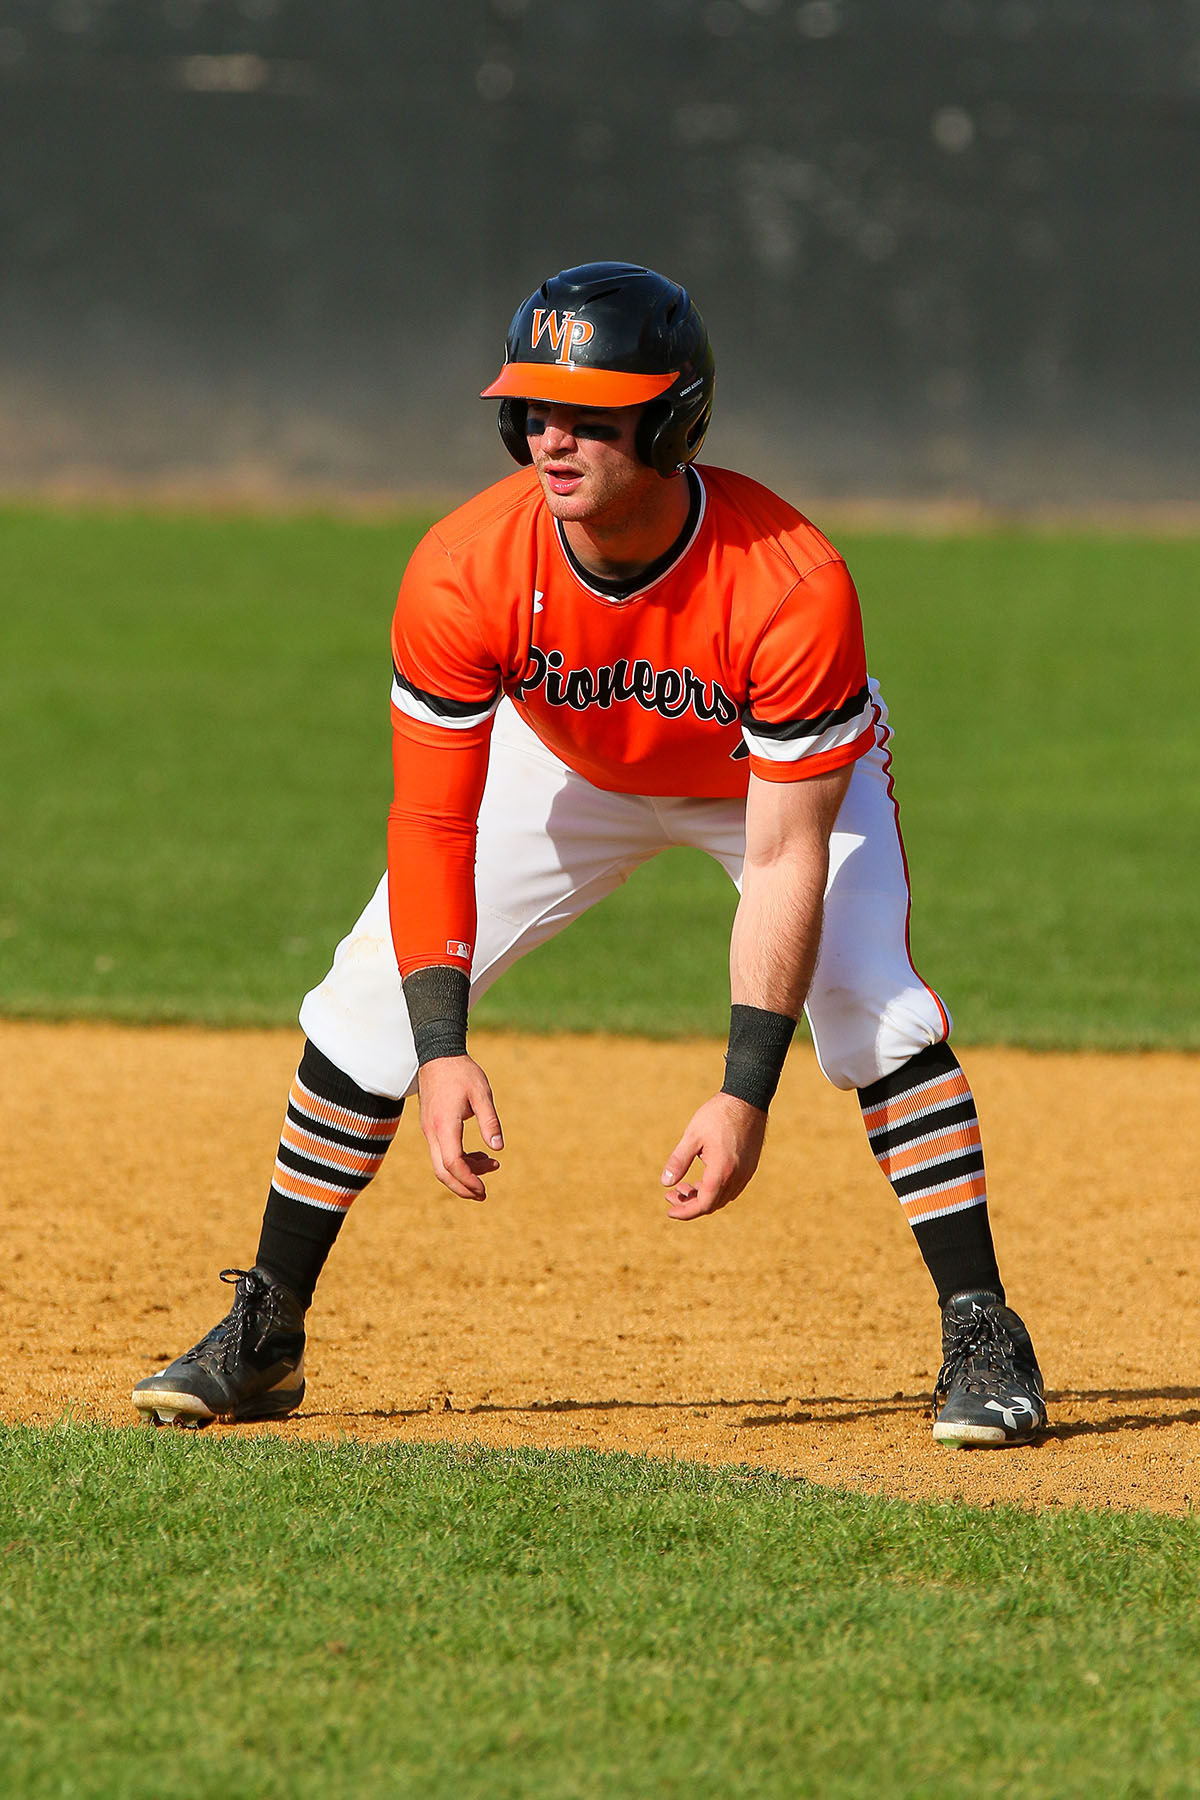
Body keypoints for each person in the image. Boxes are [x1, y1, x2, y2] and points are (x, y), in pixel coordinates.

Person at [132, 261, 1046, 1449]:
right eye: (532, 411)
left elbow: (783, 859)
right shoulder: (466, 567)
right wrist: (442, 1043)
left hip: (764, 784)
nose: (550, 439)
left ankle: (985, 1336)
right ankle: (266, 1330)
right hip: (567, 764)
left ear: (672, 419)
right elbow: (432, 825)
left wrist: (743, 1092)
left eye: (589, 413)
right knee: (367, 1003)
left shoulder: (791, 584)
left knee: (875, 1005)